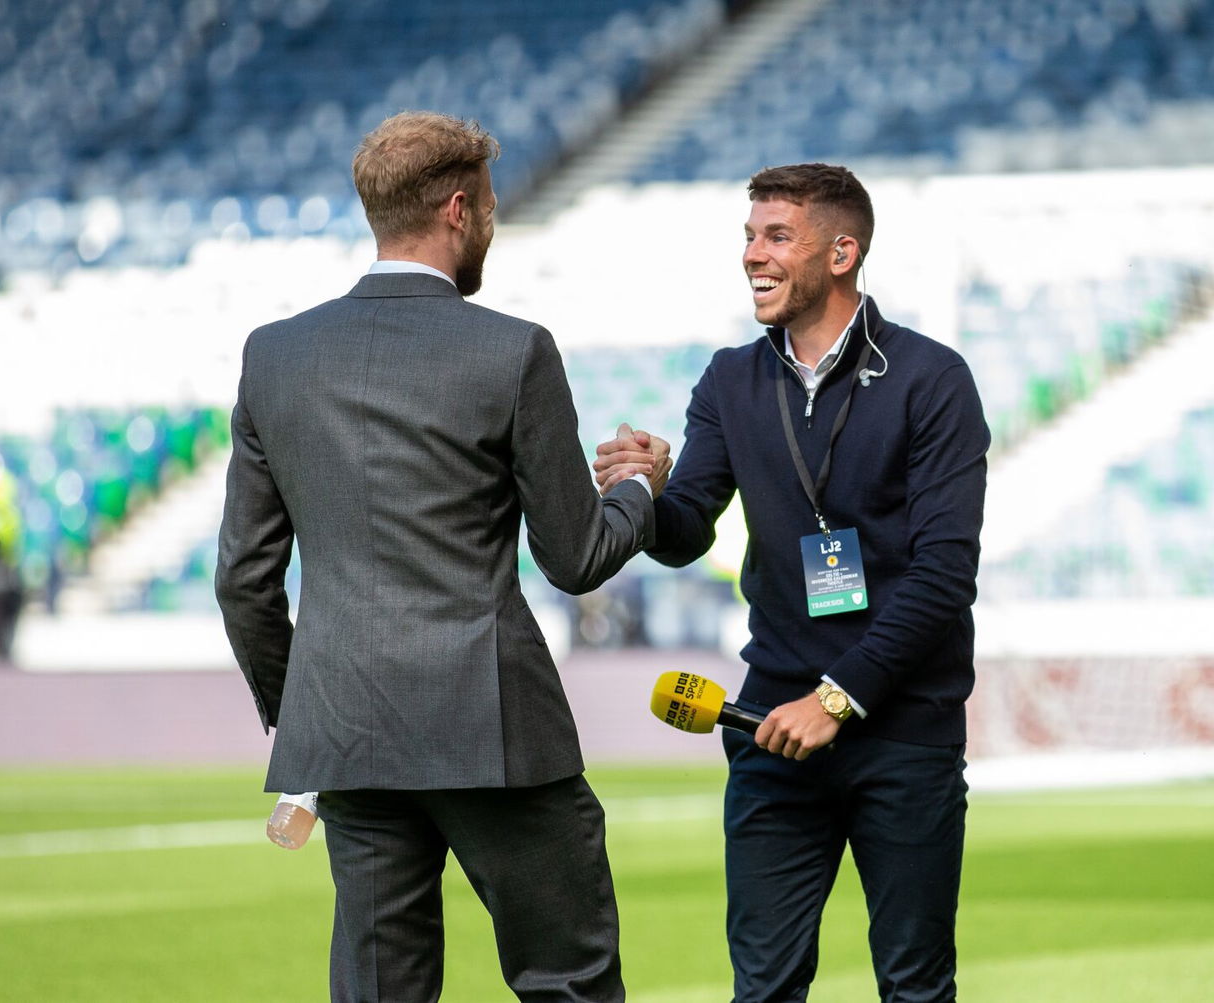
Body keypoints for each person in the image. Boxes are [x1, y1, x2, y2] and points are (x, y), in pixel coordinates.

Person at [215, 111, 669, 1003]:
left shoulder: (274, 356)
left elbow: (242, 580)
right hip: (491, 724)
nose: (492, 224)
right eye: (491, 207)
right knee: (568, 979)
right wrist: (640, 488)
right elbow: (575, 556)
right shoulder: (513, 349)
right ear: (460, 210)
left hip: (347, 732)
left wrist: (299, 708)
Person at [594, 163, 989, 1002]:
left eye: (776, 236)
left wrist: (837, 697)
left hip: (905, 732)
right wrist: (647, 494)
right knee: (762, 989)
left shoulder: (933, 379)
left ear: (842, 251)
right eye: (748, 236)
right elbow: (687, 528)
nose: (752, 255)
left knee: (916, 988)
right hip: (770, 726)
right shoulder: (729, 379)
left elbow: (944, 573)